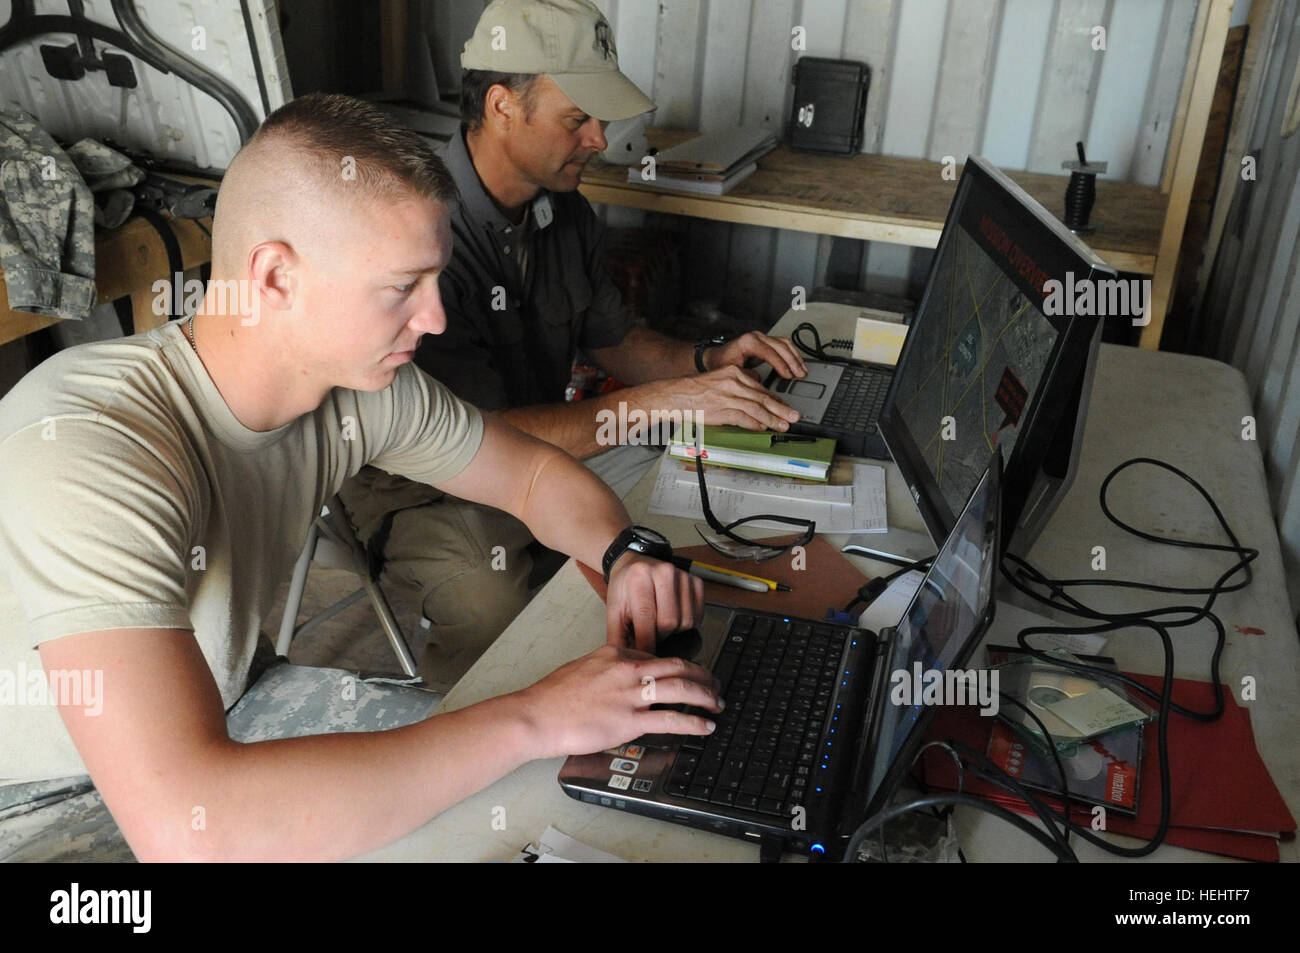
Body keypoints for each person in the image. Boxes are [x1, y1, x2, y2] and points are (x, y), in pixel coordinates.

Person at [0, 92, 722, 862]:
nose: (436, 317)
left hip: (222, 712)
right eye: (401, 287)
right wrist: (539, 713)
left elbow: (533, 479)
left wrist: (625, 550)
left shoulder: (357, 386)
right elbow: (190, 827)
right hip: (40, 801)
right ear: (274, 276)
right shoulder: (93, 444)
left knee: (535, 798)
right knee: (516, 750)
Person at [340, 0, 808, 689]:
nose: (600, 137)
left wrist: (709, 361)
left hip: (540, 456)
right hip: (427, 486)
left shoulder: (564, 214)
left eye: (601, 118)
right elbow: (479, 435)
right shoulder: (423, 237)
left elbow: (618, 341)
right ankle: (469, 730)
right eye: (576, 118)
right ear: (502, 106)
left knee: (677, 504)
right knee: (489, 597)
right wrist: (667, 399)